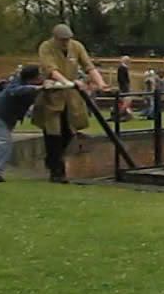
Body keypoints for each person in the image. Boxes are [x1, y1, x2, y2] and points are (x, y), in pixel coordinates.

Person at [32, 24, 108, 183]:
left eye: (68, 39)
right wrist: (66, 82)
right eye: (62, 40)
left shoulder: (77, 46)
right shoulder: (46, 47)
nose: (66, 43)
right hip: (52, 96)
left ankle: (52, 159)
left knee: (69, 132)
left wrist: (101, 83)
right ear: (55, 38)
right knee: (53, 133)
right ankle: (57, 172)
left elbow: (88, 66)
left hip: (71, 97)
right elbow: (50, 69)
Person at [0, 65, 43, 183]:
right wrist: (37, 88)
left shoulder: (30, 84)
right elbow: (14, 91)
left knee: (4, 143)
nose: (41, 77)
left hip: (8, 117)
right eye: (39, 75)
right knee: (4, 143)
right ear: (32, 78)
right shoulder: (17, 83)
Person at [116, 56, 133, 120]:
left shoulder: (124, 68)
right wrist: (126, 86)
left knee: (127, 101)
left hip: (124, 87)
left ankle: (127, 114)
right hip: (124, 87)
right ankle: (121, 114)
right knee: (127, 101)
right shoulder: (122, 68)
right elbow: (122, 79)